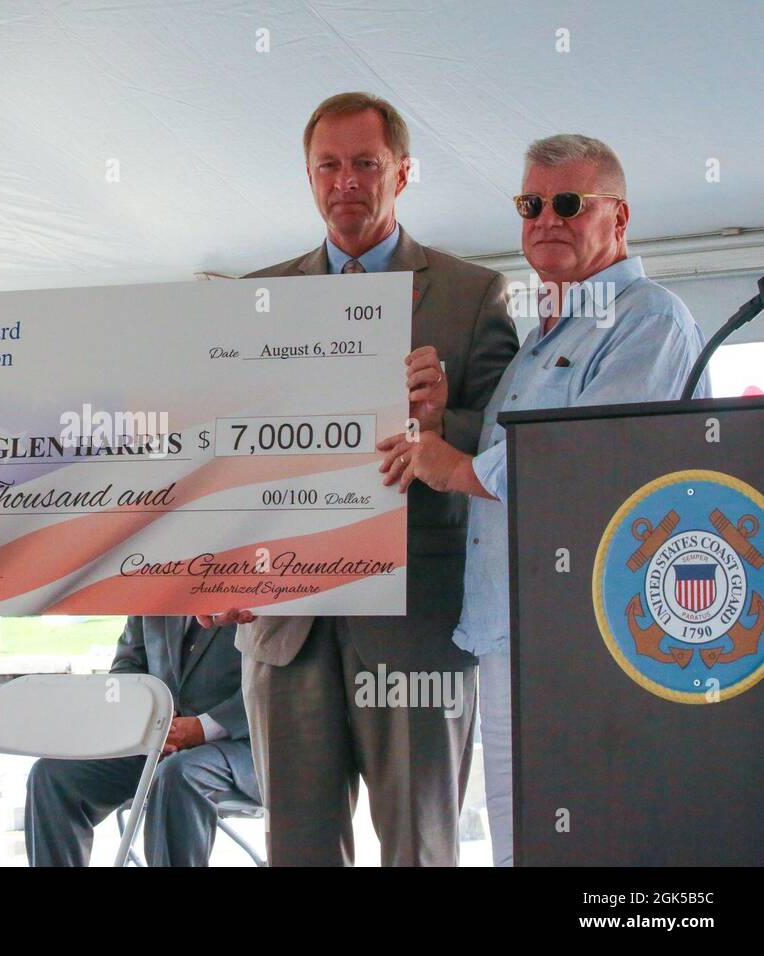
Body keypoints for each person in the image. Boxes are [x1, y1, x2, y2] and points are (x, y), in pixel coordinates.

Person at [377, 133, 710, 865]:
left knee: (598, 850)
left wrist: (453, 467)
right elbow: (513, 460)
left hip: (589, 641)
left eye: (569, 203)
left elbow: (598, 464)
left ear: (618, 219)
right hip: (512, 633)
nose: (547, 219)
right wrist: (431, 426)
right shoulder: (541, 339)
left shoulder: (646, 318)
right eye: (532, 204)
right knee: (523, 844)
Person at [207, 92, 519, 866]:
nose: (347, 181)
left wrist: (446, 421)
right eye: (330, 165)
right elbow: (218, 457)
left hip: (415, 621)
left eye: (366, 164)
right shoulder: (252, 299)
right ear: (309, 176)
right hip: (286, 627)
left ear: (403, 173)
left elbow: (517, 444)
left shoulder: (472, 293)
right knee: (300, 848)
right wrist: (207, 564)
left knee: (419, 844)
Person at [25, 616, 258, 866]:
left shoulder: (256, 587)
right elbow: (126, 667)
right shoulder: (154, 589)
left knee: (178, 774)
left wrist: (204, 727)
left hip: (245, 746)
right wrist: (144, 718)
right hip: (156, 742)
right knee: (51, 774)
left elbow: (276, 678)